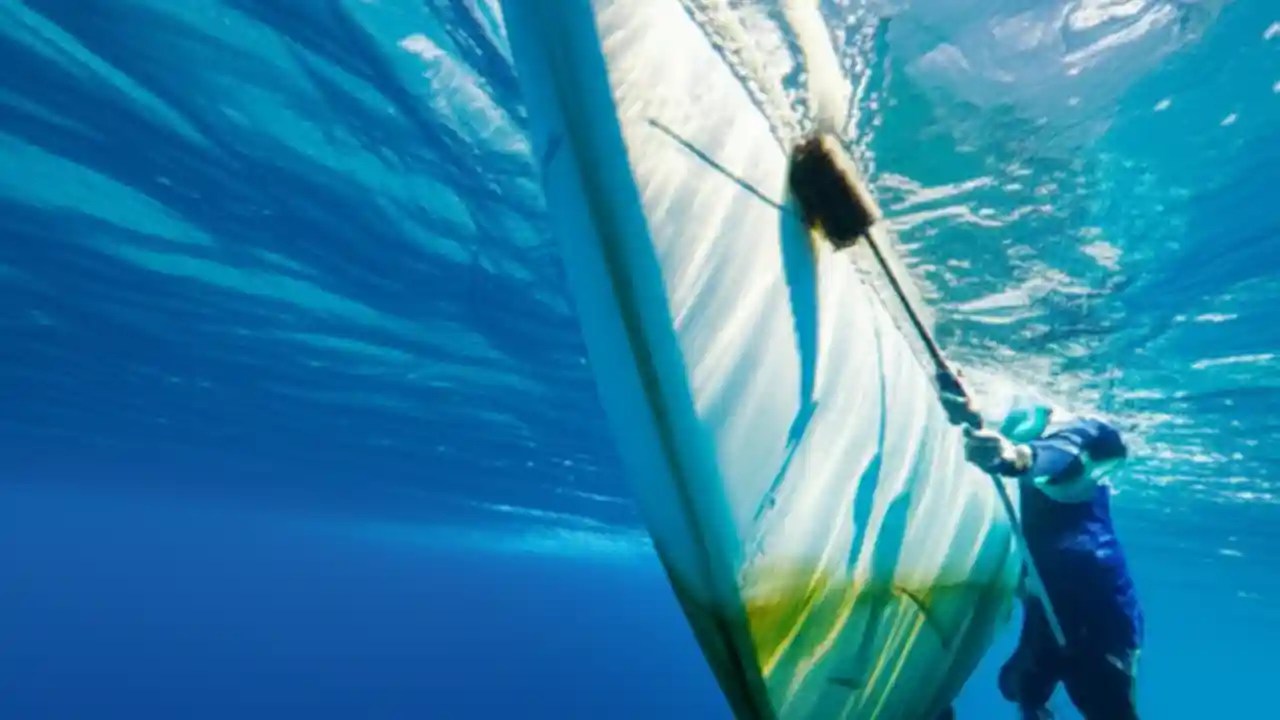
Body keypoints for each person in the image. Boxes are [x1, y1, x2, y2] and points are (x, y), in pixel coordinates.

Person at [943, 384, 1144, 720]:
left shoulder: (1091, 432)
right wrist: (970, 413)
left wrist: (1016, 459)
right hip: (1050, 600)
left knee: (1102, 704)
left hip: (1100, 614)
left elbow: (1058, 457)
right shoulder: (1032, 420)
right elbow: (1006, 434)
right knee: (1020, 689)